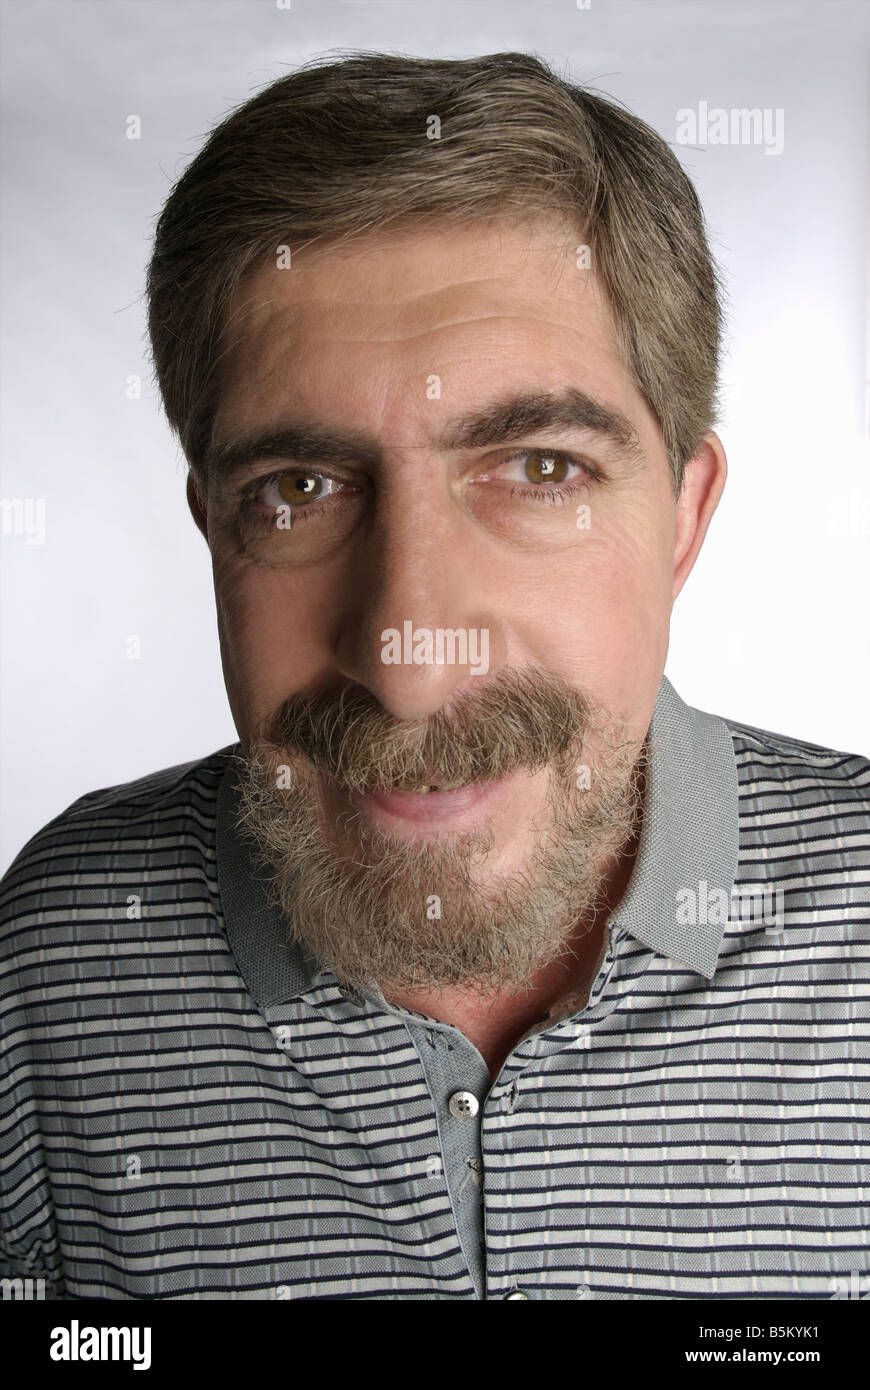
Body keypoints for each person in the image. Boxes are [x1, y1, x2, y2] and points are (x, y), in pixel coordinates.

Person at [1, 52, 867, 1303]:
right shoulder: (56, 956)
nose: (409, 671)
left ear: (684, 519)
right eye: (297, 490)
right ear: (212, 529)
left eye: (540, 470)